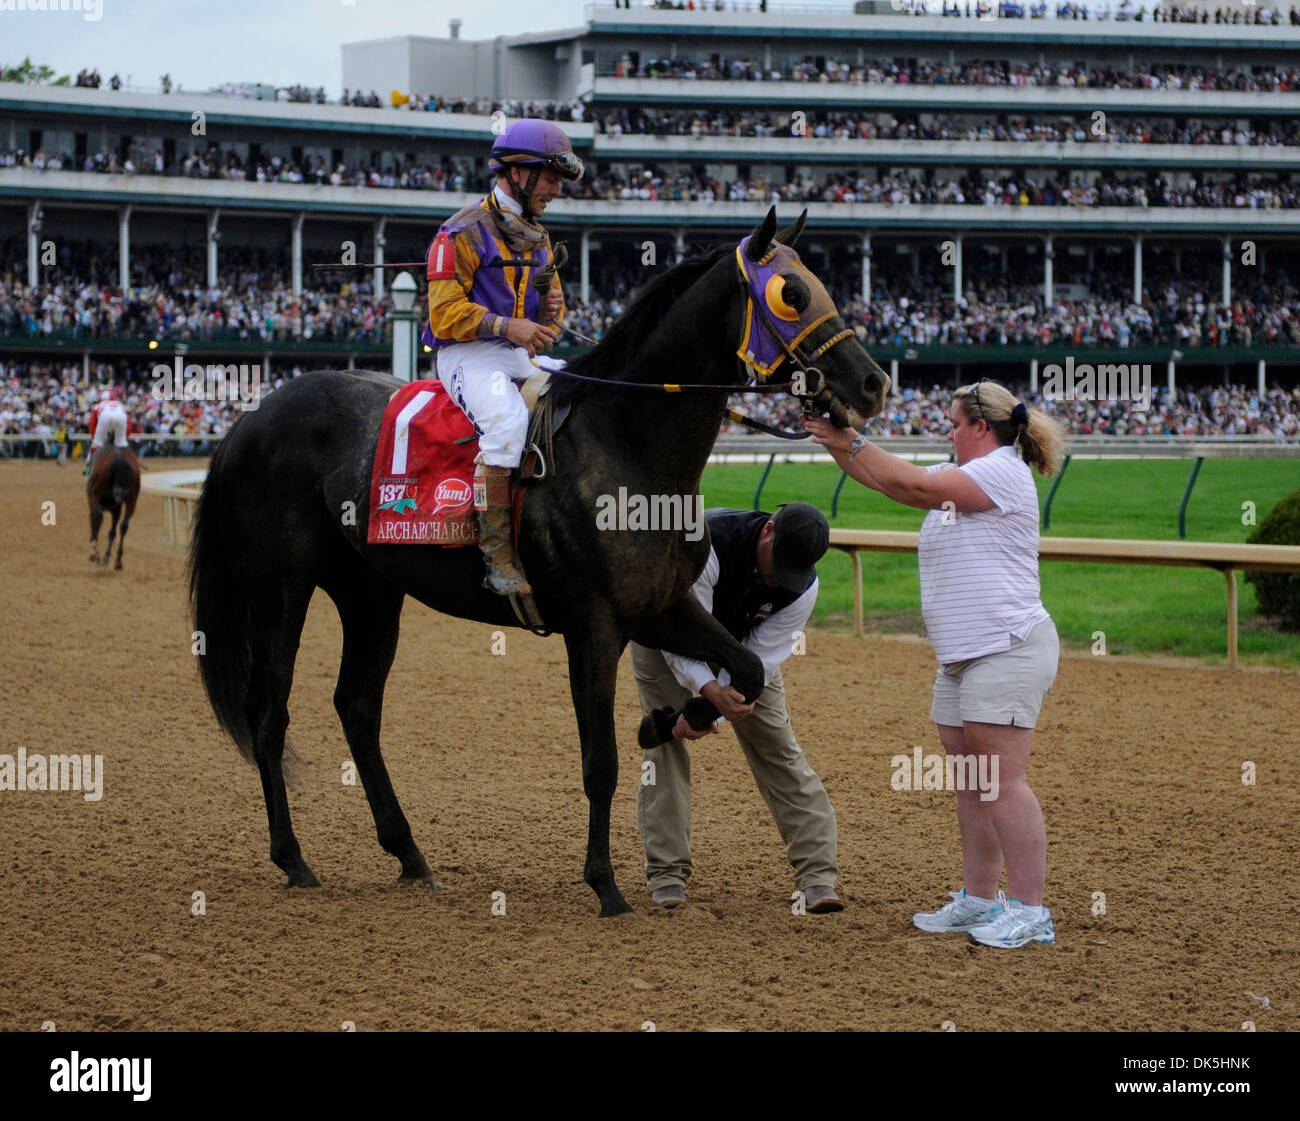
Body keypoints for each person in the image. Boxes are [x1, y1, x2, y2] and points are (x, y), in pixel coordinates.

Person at [806, 380, 1066, 948]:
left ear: (981, 427)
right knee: (974, 782)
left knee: (1000, 781)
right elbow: (887, 480)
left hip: (1006, 648)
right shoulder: (966, 477)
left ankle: (1030, 910)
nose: (946, 432)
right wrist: (832, 436)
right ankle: (978, 901)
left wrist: (850, 436)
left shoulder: (999, 469)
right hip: (962, 657)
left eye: (952, 423)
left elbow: (914, 483)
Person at [631, 503, 844, 914]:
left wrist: (717, 705)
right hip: (664, 632)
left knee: (779, 748)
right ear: (767, 531)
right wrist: (705, 694)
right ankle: (667, 874)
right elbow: (682, 634)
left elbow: (761, 659)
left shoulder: (803, 587)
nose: (774, 579)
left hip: (745, 656)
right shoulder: (705, 545)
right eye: (775, 565)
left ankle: (818, 876)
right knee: (666, 750)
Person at [422, 119, 582, 597]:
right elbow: (444, 313)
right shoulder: (459, 233)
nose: (555, 189)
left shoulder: (539, 237)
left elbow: (552, 311)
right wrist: (508, 325)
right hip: (467, 354)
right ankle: (496, 555)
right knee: (509, 425)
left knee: (585, 394)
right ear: (516, 172)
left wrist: (551, 315)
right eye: (550, 177)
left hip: (517, 354)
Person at [86, 389, 128, 476]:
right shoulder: (119, 405)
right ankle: (127, 466)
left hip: (105, 418)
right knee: (122, 445)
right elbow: (128, 425)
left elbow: (92, 426)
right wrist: (123, 439)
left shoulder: (97, 406)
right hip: (121, 418)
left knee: (96, 444)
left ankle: (88, 467)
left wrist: (95, 439)